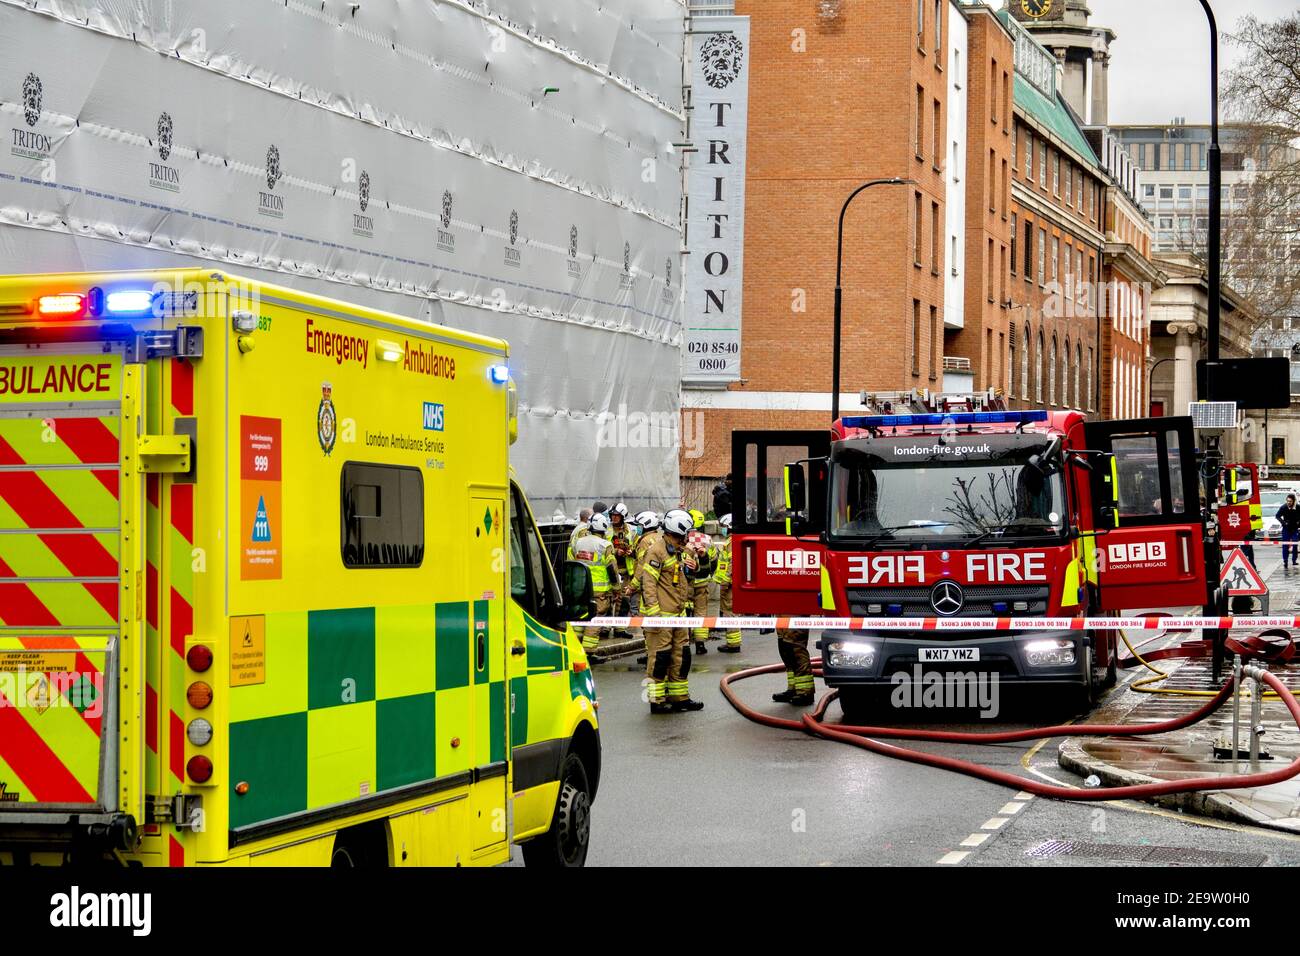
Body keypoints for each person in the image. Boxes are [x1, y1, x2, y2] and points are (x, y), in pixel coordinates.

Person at [640, 509, 704, 713]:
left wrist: (695, 565)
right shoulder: (656, 551)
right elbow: (648, 583)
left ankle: (679, 698)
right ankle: (657, 701)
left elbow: (691, 572)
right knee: (659, 659)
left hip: (679, 615)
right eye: (686, 533)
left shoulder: (680, 550)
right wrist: (654, 614)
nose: (687, 537)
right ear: (679, 529)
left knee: (681, 657)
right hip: (662, 617)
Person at [568, 512, 621, 650]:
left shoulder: (578, 543)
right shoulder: (605, 545)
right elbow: (612, 569)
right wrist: (616, 588)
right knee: (596, 618)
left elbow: (572, 560)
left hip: (581, 586)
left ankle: (575, 647)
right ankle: (589, 651)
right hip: (599, 590)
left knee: (581, 615)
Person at [684, 509, 716, 655]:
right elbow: (714, 562)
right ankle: (700, 644)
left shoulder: (683, 539)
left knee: (683, 612)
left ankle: (684, 642)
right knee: (701, 613)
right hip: (702, 583)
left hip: (686, 583)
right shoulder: (707, 540)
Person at [713, 514, 741, 653]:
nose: (722, 530)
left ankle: (733, 644)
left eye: (724, 527)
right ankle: (732, 642)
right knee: (728, 612)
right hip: (729, 583)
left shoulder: (732, 543)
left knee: (730, 613)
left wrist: (725, 580)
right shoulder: (731, 541)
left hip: (729, 584)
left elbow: (733, 564)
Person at [774, 627, 815, 707]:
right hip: (783, 617)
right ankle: (793, 689)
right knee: (784, 647)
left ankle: (805, 692)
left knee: (795, 648)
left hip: (795, 616)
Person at [1277, 494, 1300, 568]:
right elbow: (1277, 516)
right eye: (1287, 501)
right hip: (1286, 529)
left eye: (1290, 501)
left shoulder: (1298, 507)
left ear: (1293, 501)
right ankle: (1285, 561)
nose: (1288, 503)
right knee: (1285, 545)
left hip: (1294, 529)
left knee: (1295, 544)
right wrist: (1283, 523)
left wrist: (1298, 523)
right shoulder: (1283, 507)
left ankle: (1294, 560)